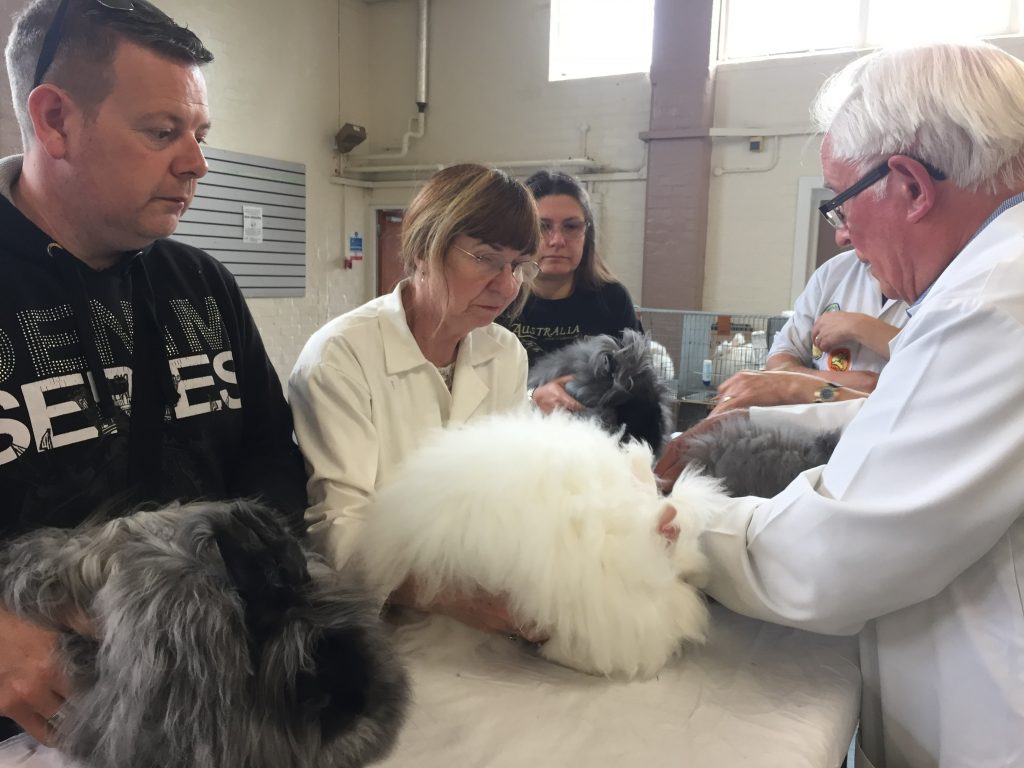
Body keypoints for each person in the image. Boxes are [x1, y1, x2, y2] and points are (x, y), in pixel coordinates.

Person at [656, 41, 1024, 768]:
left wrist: (674, 522)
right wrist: (759, 415)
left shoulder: (992, 302)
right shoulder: (988, 281)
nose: (842, 233)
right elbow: (913, 425)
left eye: (841, 202)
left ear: (912, 185)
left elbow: (827, 561)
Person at [0, 0, 307, 744]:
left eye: (199, 135)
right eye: (162, 132)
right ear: (54, 121)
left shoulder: (202, 285)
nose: (196, 163)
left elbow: (272, 465)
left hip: (207, 710)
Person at [289, 163, 541, 636]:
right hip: (375, 625)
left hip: (472, 610)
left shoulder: (504, 353)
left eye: (517, 266)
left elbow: (515, 490)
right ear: (424, 249)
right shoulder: (342, 356)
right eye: (485, 258)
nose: (507, 286)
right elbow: (340, 528)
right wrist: (449, 597)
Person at [498, 170, 642, 413]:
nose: (557, 240)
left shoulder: (612, 299)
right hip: (509, 436)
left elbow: (636, 388)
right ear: (521, 232)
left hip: (593, 437)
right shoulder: (497, 296)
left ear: (587, 232)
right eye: (543, 227)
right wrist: (532, 398)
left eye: (571, 226)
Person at [711, 248, 906, 414]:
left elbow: (926, 374)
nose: (841, 237)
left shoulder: (933, 288)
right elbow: (781, 357)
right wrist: (859, 382)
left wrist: (860, 327)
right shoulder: (833, 272)